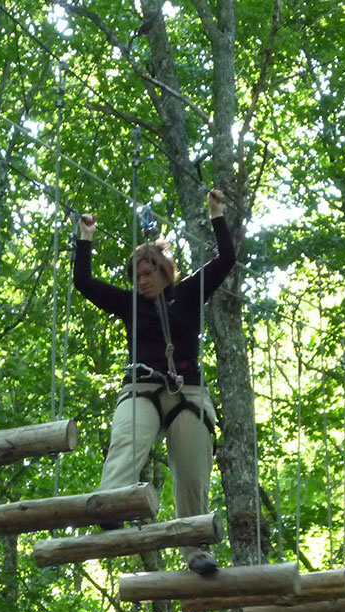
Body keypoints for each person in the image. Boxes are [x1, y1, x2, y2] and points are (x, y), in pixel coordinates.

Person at [74, 189, 236, 575]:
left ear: (165, 271)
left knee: (193, 473)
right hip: (141, 387)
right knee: (127, 439)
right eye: (137, 276)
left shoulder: (190, 293)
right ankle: (110, 506)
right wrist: (85, 239)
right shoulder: (129, 304)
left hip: (187, 391)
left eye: (148, 273)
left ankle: (195, 549)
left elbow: (226, 259)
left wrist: (216, 214)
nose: (142, 281)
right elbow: (84, 283)